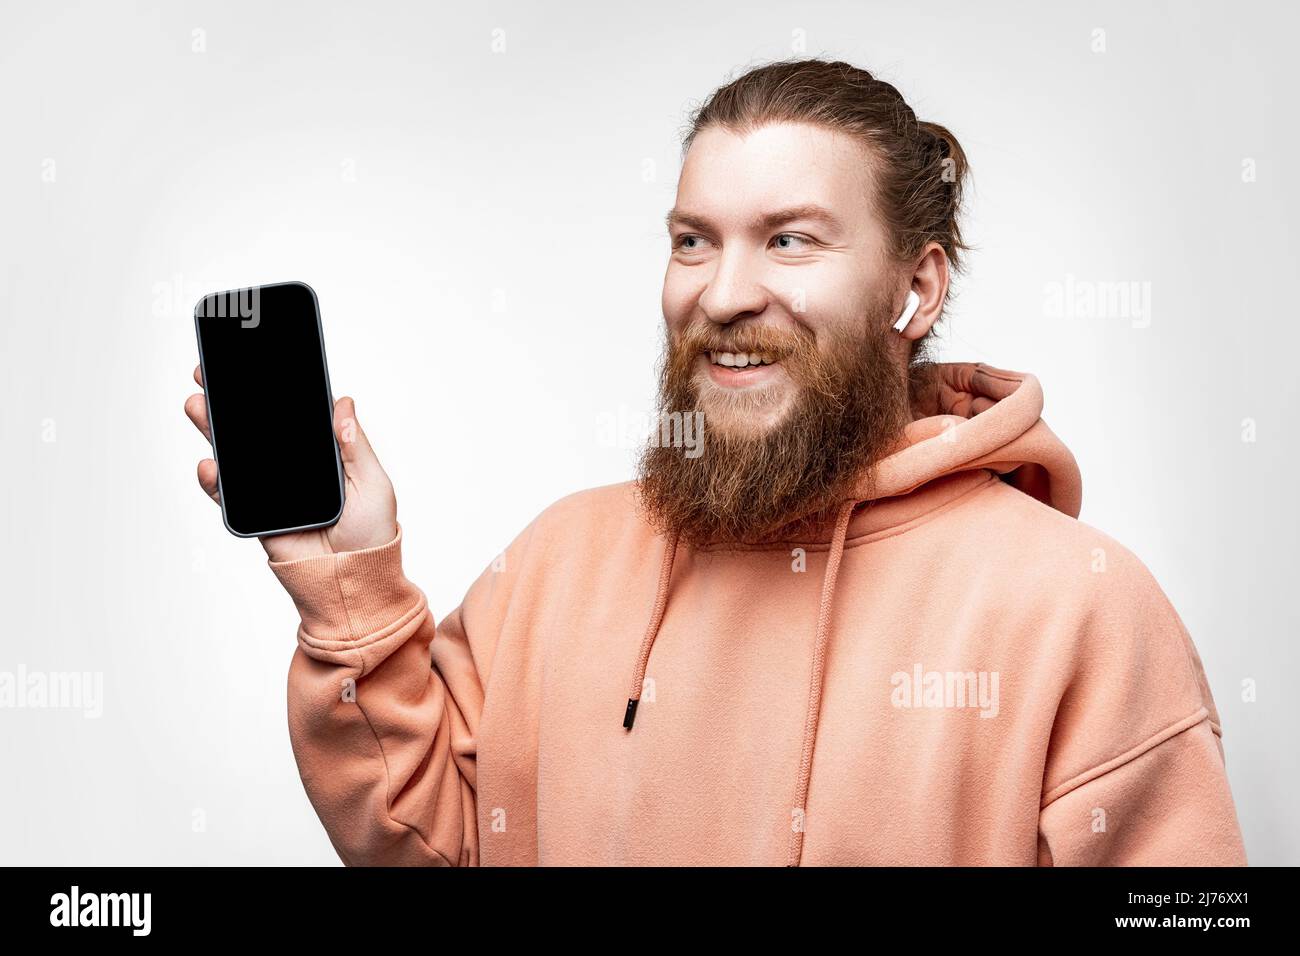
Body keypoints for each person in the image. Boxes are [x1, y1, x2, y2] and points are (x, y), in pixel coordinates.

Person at [184, 58, 1248, 866]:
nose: (722, 292)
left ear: (913, 290)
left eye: (789, 240)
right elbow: (435, 841)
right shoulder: (561, 558)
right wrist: (354, 594)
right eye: (694, 240)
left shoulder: (1080, 608)